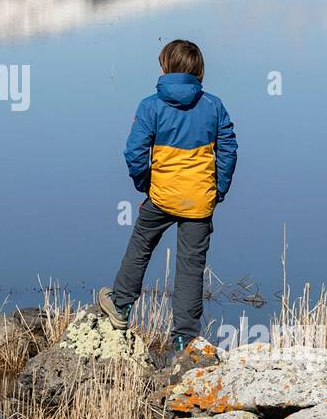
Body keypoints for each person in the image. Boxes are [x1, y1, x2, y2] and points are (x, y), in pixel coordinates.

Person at [97, 39, 238, 356]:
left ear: (164, 69)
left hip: (161, 197)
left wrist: (145, 185)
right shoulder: (214, 106)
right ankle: (184, 339)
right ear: (199, 70)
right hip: (200, 201)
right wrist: (219, 190)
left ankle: (120, 305)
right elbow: (229, 151)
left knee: (141, 246)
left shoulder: (150, 106)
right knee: (190, 268)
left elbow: (134, 153)